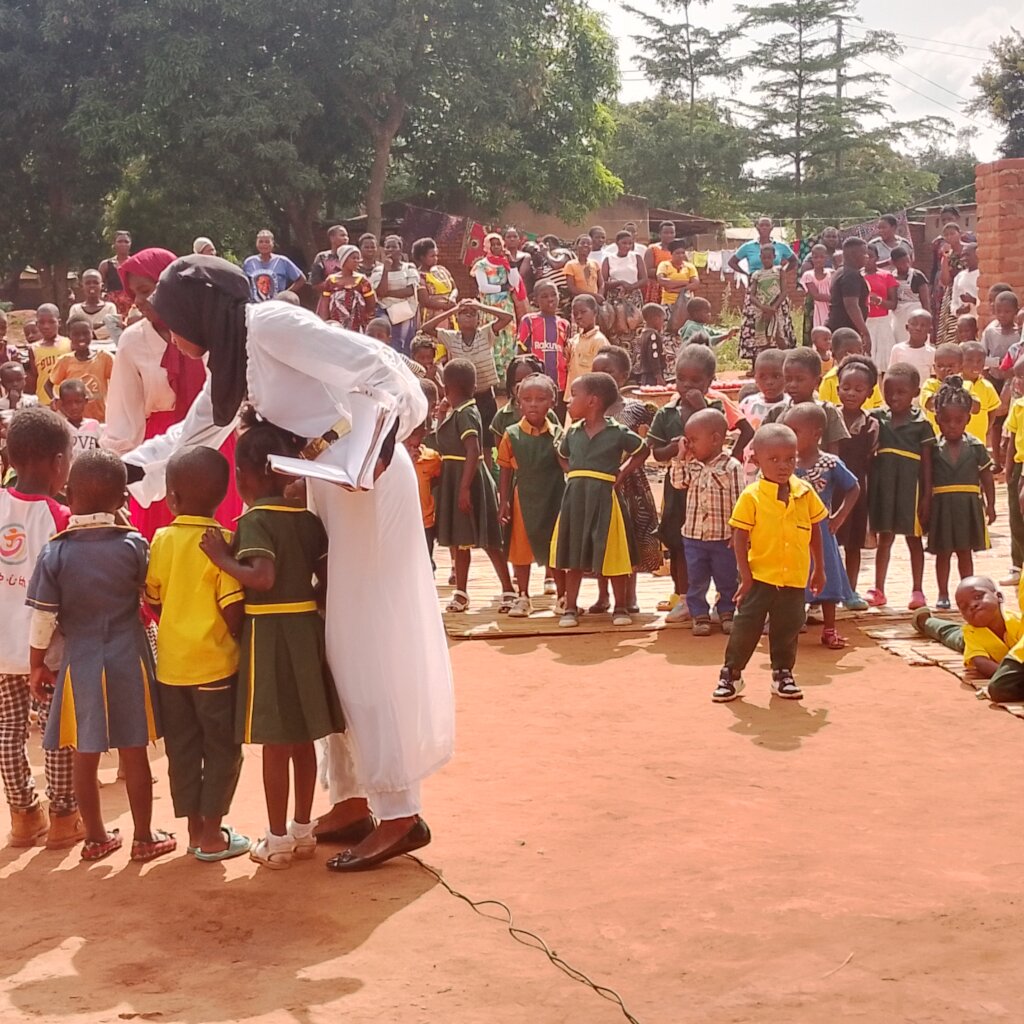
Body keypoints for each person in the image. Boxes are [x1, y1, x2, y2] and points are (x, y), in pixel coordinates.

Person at [130, 256, 452, 870]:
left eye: (169, 320)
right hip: (326, 480)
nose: (169, 335)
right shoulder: (234, 363)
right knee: (330, 644)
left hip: (369, 480)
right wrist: (129, 471)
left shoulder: (270, 324)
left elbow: (383, 368)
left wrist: (383, 444)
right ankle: (354, 796)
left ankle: (401, 809)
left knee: (365, 641)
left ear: (198, 310)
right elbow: (193, 437)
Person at [197, 422, 344, 868]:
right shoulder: (308, 520)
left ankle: (276, 838)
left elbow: (262, 577)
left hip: (269, 633)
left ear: (245, 475)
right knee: (301, 739)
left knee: (275, 743)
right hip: (305, 629)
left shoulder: (255, 521)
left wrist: (221, 557)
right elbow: (326, 577)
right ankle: (302, 830)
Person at [27, 450, 172, 863]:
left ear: (69, 495)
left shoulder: (56, 553)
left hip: (80, 660)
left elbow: (43, 618)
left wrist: (37, 664)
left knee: (84, 756)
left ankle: (95, 839)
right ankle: (144, 837)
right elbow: (153, 595)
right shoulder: (133, 545)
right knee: (134, 751)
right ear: (122, 500)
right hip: (129, 657)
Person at [143, 446, 249, 861]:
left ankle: (194, 830)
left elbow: (152, 596)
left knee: (183, 749)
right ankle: (211, 835)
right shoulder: (220, 543)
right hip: (216, 667)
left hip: (172, 667)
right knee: (221, 748)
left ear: (171, 498)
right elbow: (233, 609)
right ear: (222, 497)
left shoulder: (162, 539)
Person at [0, 408, 80, 850]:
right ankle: (65, 816)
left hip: (1, 645)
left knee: (8, 732)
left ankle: (24, 816)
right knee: (56, 731)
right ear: (57, 463)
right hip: (47, 650)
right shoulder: (59, 517)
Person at [101, 248, 217, 537]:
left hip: (213, 443)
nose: (138, 302)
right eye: (133, 293)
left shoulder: (209, 330)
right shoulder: (132, 341)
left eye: (146, 291)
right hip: (155, 455)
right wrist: (124, 469)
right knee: (160, 543)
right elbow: (123, 410)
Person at [712, 423, 827, 703]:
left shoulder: (805, 493)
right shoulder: (752, 496)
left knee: (787, 628)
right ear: (756, 460)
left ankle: (783, 674)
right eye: (773, 459)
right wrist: (746, 576)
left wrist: (820, 569)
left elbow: (815, 532)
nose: (783, 466)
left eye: (790, 458)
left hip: (794, 578)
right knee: (746, 626)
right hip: (760, 577)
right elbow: (740, 537)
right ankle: (731, 674)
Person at [650, 344, 750, 620]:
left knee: (719, 547)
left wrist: (730, 460)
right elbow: (656, 453)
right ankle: (683, 598)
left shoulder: (715, 407)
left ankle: (723, 599)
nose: (687, 386)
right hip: (680, 487)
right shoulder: (666, 413)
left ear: (710, 382)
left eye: (696, 381)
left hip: (716, 492)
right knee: (679, 543)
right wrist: (674, 449)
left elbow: (743, 431)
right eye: (682, 379)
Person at [552, 372, 648, 628]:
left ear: (592, 401)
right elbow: (561, 455)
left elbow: (642, 450)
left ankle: (620, 607)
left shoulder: (617, 432)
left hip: (606, 498)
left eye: (574, 396)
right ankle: (570, 608)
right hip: (576, 499)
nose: (569, 401)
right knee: (574, 552)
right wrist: (573, 472)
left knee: (612, 551)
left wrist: (621, 473)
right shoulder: (572, 432)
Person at [433, 359, 516, 614]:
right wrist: (441, 416)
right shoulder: (458, 411)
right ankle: (461, 592)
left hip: (467, 478)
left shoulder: (468, 412)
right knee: (460, 539)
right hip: (456, 477)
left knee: (488, 536)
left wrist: (464, 488)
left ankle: (508, 589)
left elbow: (473, 449)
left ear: (445, 386)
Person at [589, 346, 661, 614]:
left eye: (608, 372)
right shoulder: (588, 408)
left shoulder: (637, 409)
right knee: (600, 539)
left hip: (629, 485)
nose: (601, 378)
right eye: (595, 373)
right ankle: (602, 596)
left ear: (624, 375)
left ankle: (629, 596)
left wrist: (624, 470)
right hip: (597, 485)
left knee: (630, 540)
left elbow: (647, 444)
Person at [784, 403, 860, 648]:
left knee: (827, 578)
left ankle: (830, 629)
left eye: (795, 431)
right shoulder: (785, 464)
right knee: (791, 581)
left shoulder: (830, 463)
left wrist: (839, 517)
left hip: (822, 531)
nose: (789, 436)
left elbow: (853, 487)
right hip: (791, 532)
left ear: (816, 434)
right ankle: (790, 627)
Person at [866, 363, 935, 610]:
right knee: (885, 537)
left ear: (915, 393)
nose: (893, 397)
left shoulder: (921, 424)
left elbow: (927, 464)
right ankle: (879, 588)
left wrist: (927, 496)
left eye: (901, 392)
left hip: (911, 490)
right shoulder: (876, 419)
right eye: (889, 391)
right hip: (884, 490)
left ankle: (917, 590)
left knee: (913, 539)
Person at [496, 373, 566, 617]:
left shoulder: (558, 434)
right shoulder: (512, 434)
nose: (533, 404)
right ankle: (523, 596)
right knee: (520, 548)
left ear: (552, 402)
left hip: (554, 497)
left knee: (555, 547)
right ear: (518, 402)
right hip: (522, 498)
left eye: (540, 398)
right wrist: (503, 500)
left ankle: (563, 596)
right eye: (527, 399)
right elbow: (504, 467)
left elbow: (567, 465)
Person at [669, 408, 742, 636]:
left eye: (693, 440)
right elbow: (677, 483)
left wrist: (738, 533)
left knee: (727, 577)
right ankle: (699, 614)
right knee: (696, 579)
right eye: (687, 440)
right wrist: (680, 457)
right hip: (694, 536)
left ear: (715, 439)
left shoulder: (732, 467)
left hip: (723, 538)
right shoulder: (692, 465)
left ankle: (727, 612)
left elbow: (740, 501)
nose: (689, 445)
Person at [925, 378, 996, 610]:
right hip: (943, 505)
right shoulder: (933, 447)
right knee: (943, 552)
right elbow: (926, 479)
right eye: (946, 421)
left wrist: (991, 504)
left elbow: (987, 477)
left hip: (968, 505)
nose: (952, 425)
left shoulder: (975, 446)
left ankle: (968, 591)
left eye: (958, 420)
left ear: (968, 419)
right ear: (937, 420)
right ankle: (943, 593)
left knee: (965, 552)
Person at [422, 299, 512, 446]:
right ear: (457, 318)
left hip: (485, 394)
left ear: (478, 320)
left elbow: (507, 317)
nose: (468, 316)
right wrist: (453, 310)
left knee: (487, 443)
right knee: (466, 438)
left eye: (473, 313)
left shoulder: (485, 333)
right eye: (464, 313)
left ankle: (487, 468)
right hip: (462, 397)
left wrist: (481, 306)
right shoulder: (451, 338)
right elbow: (427, 328)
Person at [835, 356, 880, 608]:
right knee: (828, 543)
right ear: (837, 387)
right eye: (846, 387)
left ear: (869, 393)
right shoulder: (828, 416)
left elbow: (872, 461)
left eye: (858, 389)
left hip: (857, 491)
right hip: (831, 490)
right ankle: (824, 590)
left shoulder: (871, 425)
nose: (851, 393)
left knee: (853, 543)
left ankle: (850, 591)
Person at [913, 577, 1019, 678]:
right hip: (968, 640)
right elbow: (982, 663)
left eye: (978, 596)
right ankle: (925, 622)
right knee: (948, 633)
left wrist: (1000, 674)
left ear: (999, 597)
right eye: (964, 607)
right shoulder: (970, 633)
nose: (972, 605)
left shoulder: (1019, 622)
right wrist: (1004, 676)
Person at [762, 347, 849, 454]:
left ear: (817, 381)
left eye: (800, 379)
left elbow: (835, 454)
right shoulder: (777, 412)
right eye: (788, 379)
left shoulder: (828, 411)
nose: (793, 385)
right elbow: (762, 446)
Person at [471, 233, 523, 379]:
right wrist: (503, 288)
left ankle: (507, 376)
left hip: (506, 307)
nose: (495, 247)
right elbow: (484, 287)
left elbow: (514, 283)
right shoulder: (481, 265)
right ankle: (493, 375)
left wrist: (512, 263)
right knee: (493, 338)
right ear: (487, 246)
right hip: (490, 307)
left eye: (498, 244)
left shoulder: (505, 263)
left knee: (508, 339)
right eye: (492, 244)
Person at [517, 281, 570, 416]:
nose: (550, 299)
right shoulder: (528, 321)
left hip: (559, 384)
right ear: (535, 300)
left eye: (553, 295)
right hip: (536, 384)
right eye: (544, 296)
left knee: (558, 421)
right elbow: (520, 352)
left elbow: (566, 353)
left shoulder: (564, 324)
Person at [47, 316, 114, 422]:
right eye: (76, 334)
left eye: (85, 333)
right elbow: (48, 384)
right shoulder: (65, 361)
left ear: (92, 333)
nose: (81, 338)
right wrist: (56, 400)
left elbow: (119, 381)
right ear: (69, 336)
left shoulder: (105, 358)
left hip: (101, 418)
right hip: (74, 421)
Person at [738, 243, 796, 362]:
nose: (766, 260)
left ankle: (787, 363)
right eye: (764, 257)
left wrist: (773, 307)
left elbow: (784, 291)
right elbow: (752, 295)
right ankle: (762, 366)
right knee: (762, 340)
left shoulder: (779, 271)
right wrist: (763, 307)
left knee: (779, 336)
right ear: (760, 257)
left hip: (776, 309)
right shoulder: (756, 275)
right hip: (761, 311)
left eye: (769, 257)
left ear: (774, 257)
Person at [737, 348, 788, 481]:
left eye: (776, 376)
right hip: (749, 468)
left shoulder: (791, 406)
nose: (769, 382)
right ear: (755, 378)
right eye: (762, 377)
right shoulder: (747, 404)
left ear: (786, 376)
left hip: (781, 470)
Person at [490, 354, 555, 446]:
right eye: (518, 381)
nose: (523, 386)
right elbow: (501, 452)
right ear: (510, 384)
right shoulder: (502, 417)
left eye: (528, 380)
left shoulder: (548, 414)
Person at [375, 235, 420, 357]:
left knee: (402, 342)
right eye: (387, 247)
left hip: (404, 310)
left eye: (394, 247)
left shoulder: (409, 267)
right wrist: (386, 270)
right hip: (385, 310)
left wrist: (387, 293)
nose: (390, 250)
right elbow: (379, 293)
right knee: (385, 341)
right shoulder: (378, 270)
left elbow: (410, 291)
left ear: (400, 249)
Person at [407, 418, 442, 568]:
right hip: (403, 520)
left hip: (425, 520)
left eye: (420, 435)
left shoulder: (431, 458)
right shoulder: (393, 457)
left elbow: (438, 480)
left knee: (426, 561)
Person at [602, 231, 647, 345]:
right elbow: (603, 282)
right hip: (615, 298)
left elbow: (644, 279)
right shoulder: (609, 259)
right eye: (624, 243)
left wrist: (631, 287)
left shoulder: (636, 257)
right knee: (616, 327)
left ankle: (635, 357)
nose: (627, 246)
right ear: (617, 243)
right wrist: (619, 283)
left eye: (630, 243)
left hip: (633, 297)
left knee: (635, 325)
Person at [563, 294, 609, 408]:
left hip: (589, 401)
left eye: (583, 312)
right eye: (575, 314)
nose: (578, 317)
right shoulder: (574, 340)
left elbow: (602, 374)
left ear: (594, 312)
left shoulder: (599, 341)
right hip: (572, 398)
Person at [826, 237, 871, 353]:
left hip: (839, 327)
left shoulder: (841, 271)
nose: (867, 257)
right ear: (853, 254)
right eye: (864, 253)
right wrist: (865, 332)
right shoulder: (851, 275)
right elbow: (851, 305)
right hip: (846, 331)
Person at [319, 245, 378, 331]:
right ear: (344, 259)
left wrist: (364, 320)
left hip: (357, 326)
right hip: (336, 326)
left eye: (358, 258)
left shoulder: (362, 281)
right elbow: (324, 304)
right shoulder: (331, 281)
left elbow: (371, 303)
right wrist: (324, 323)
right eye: (354, 258)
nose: (357, 261)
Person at [242, 230, 306, 302]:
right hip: (255, 306)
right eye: (261, 242)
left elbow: (301, 279)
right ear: (256, 244)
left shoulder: (282, 261)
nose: (264, 244)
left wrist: (285, 294)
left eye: (267, 242)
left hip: (277, 305)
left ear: (272, 244)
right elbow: (242, 282)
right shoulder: (249, 262)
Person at [863, 244, 899, 373]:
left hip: (883, 322)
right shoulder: (857, 277)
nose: (867, 259)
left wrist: (879, 301)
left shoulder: (886, 276)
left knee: (885, 361)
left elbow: (893, 304)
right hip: (865, 323)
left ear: (877, 258)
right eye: (864, 256)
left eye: (871, 256)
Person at [960, 342, 1001, 448]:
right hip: (956, 438)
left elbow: (993, 411)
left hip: (978, 439)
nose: (975, 365)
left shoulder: (987, 387)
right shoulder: (954, 384)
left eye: (980, 361)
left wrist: (987, 428)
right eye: (969, 360)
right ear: (960, 361)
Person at [28, 304, 71, 403]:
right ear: (36, 324)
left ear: (59, 323)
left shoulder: (69, 344)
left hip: (67, 401)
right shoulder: (33, 349)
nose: (46, 326)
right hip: (45, 401)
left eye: (51, 322)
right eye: (41, 322)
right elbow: (36, 376)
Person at [727, 217, 797, 276]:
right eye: (761, 225)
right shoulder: (747, 246)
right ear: (757, 227)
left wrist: (782, 272)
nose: (764, 228)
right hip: (755, 284)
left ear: (772, 227)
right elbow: (732, 262)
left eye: (767, 225)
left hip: (775, 284)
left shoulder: (781, 246)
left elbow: (794, 260)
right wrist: (747, 274)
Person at [890, 246, 931, 348]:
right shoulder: (891, 276)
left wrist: (928, 321)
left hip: (915, 314)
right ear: (894, 263)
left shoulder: (917, 276)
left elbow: (926, 301)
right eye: (902, 262)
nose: (906, 265)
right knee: (899, 341)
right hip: (898, 317)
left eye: (907, 261)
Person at [413, 237, 458, 328]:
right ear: (422, 257)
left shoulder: (442, 270)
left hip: (449, 312)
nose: (435, 259)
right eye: (432, 256)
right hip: (432, 316)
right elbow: (425, 301)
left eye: (436, 255)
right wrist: (446, 306)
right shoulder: (419, 276)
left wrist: (452, 298)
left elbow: (454, 288)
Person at [655, 239, 696, 331]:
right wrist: (685, 282)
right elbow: (662, 281)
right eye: (677, 253)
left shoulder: (690, 266)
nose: (681, 255)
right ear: (671, 254)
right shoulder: (664, 265)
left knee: (685, 330)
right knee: (667, 330)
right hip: (668, 303)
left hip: (686, 304)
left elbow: (695, 284)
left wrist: (675, 289)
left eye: (683, 253)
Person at [55, 379, 103, 459]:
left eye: (78, 402)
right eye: (68, 403)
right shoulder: (61, 427)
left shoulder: (94, 425)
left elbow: (101, 450)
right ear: (61, 404)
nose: (74, 407)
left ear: (85, 401)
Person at [936, 222, 967, 345]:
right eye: (946, 235)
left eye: (952, 233)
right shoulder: (947, 255)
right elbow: (945, 281)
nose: (949, 237)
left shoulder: (969, 250)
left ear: (960, 234)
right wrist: (945, 258)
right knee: (951, 324)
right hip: (953, 293)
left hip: (969, 289)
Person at [68, 269, 119, 341]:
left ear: (102, 286)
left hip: (106, 347)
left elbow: (111, 328)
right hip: (82, 346)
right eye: (88, 283)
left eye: (96, 283)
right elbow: (74, 328)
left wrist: (88, 332)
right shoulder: (75, 309)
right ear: (82, 286)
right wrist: (100, 326)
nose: (92, 286)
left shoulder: (110, 307)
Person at [888, 309, 935, 383]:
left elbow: (933, 378)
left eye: (923, 325)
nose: (918, 328)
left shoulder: (932, 353)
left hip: (924, 394)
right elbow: (890, 374)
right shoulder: (897, 349)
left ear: (930, 330)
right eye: (914, 324)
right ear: (907, 327)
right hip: (902, 393)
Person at [310, 225, 350, 308]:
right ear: (332, 238)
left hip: (350, 302)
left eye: (347, 236)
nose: (346, 238)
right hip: (327, 303)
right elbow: (315, 284)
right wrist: (336, 284)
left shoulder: (352, 258)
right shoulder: (322, 257)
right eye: (342, 235)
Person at [98, 230, 133, 317]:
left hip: (132, 304)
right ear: (114, 244)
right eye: (120, 241)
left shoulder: (135, 263)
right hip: (112, 305)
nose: (123, 244)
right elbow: (98, 285)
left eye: (126, 242)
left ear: (130, 244)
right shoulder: (105, 265)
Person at [799, 244, 833, 330]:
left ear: (826, 258)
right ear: (811, 259)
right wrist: (837, 299)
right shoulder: (808, 275)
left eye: (821, 257)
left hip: (831, 310)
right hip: (816, 310)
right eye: (815, 257)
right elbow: (816, 296)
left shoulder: (832, 273)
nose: (818, 260)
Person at [563, 234, 604, 304]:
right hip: (579, 301)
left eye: (589, 244)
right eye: (582, 243)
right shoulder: (570, 265)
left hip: (595, 301)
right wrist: (593, 296)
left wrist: (600, 295)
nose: (586, 245)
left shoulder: (595, 264)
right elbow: (572, 288)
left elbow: (601, 283)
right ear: (576, 246)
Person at [634, 303, 669, 386]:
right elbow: (654, 355)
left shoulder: (643, 333)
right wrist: (658, 376)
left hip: (644, 375)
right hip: (652, 377)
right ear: (655, 319)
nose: (663, 323)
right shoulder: (653, 335)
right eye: (662, 320)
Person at [644, 221, 677, 304]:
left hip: (674, 289)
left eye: (671, 233)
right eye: (666, 233)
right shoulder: (652, 249)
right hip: (656, 289)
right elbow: (648, 271)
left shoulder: (679, 251)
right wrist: (668, 272)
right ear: (660, 234)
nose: (669, 235)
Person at [950, 243, 979, 318]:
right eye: (962, 255)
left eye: (967, 255)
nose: (964, 258)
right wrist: (958, 310)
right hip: (963, 322)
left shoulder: (983, 275)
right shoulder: (959, 276)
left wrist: (973, 301)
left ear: (978, 254)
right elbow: (954, 301)